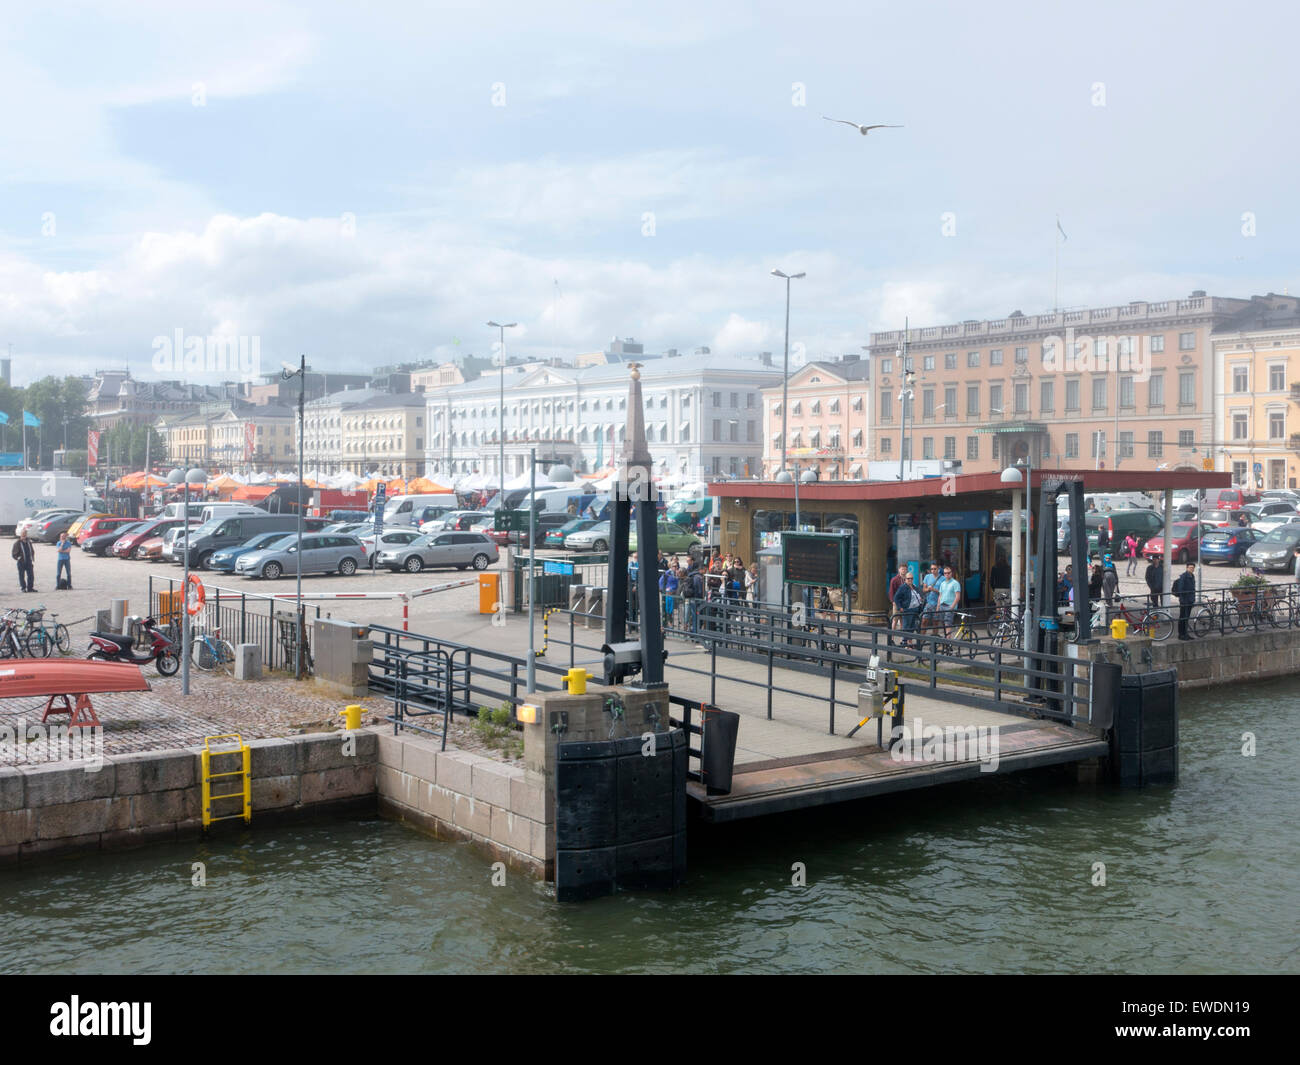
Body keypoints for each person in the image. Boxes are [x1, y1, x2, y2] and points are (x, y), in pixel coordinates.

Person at [892, 569, 924, 646]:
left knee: (912, 627)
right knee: (906, 626)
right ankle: (904, 642)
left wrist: (921, 599)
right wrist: (900, 607)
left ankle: (909, 642)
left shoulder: (914, 586)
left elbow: (919, 594)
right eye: (908, 578)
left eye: (911, 578)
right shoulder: (903, 587)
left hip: (915, 609)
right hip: (908, 609)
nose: (910, 580)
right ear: (905, 579)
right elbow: (896, 598)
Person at [1172, 562, 1197, 640]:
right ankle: (1181, 634)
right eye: (1190, 567)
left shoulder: (1192, 576)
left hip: (1189, 600)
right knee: (1183, 617)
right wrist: (1185, 597)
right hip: (1184, 600)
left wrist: (1192, 599)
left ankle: (1185, 633)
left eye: (1193, 568)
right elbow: (1181, 589)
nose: (1191, 569)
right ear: (1187, 568)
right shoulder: (1184, 577)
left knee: (1186, 618)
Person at [936, 565, 962, 637]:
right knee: (943, 625)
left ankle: (948, 643)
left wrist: (952, 607)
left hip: (949, 606)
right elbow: (940, 596)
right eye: (945, 573)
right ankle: (947, 642)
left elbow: (958, 596)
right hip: (942, 605)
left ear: (951, 573)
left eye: (948, 573)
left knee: (948, 625)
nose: (947, 574)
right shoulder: (943, 583)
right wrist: (937, 607)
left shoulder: (955, 583)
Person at [921, 562, 940, 633]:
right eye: (931, 569)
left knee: (935, 623)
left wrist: (934, 590)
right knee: (924, 621)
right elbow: (923, 590)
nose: (933, 571)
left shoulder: (943, 578)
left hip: (937, 604)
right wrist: (928, 589)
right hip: (928, 603)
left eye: (935, 569)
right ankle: (922, 640)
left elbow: (943, 592)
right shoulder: (927, 577)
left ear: (938, 569)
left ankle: (934, 641)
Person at [659, 563, 680, 628]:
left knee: (672, 608)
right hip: (668, 593)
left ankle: (670, 621)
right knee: (668, 608)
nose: (676, 567)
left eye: (677, 566)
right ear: (670, 566)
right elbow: (660, 582)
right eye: (674, 566)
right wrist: (665, 590)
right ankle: (668, 622)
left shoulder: (677, 573)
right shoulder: (667, 573)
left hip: (675, 593)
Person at [627, 551, 639, 622]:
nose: (635, 559)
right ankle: (632, 622)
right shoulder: (630, 564)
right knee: (631, 604)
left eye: (637, 557)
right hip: (631, 584)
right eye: (634, 557)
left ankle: (635, 621)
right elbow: (628, 575)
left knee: (636, 605)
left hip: (637, 583)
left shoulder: (639, 564)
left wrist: (636, 585)